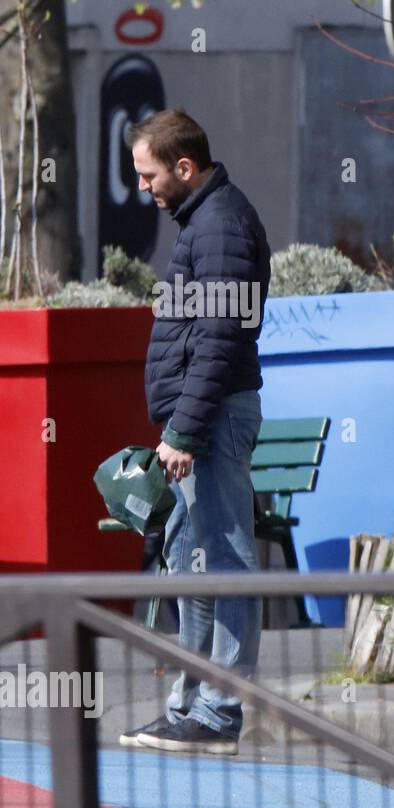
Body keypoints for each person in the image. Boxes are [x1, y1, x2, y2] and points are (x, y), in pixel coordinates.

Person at [117, 109, 270, 757]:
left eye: (149, 175)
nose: (143, 188)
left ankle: (220, 707)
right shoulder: (205, 223)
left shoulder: (220, 226)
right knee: (190, 560)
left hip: (209, 420)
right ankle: (193, 705)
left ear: (184, 167)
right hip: (201, 419)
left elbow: (216, 340)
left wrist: (184, 428)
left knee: (224, 561)